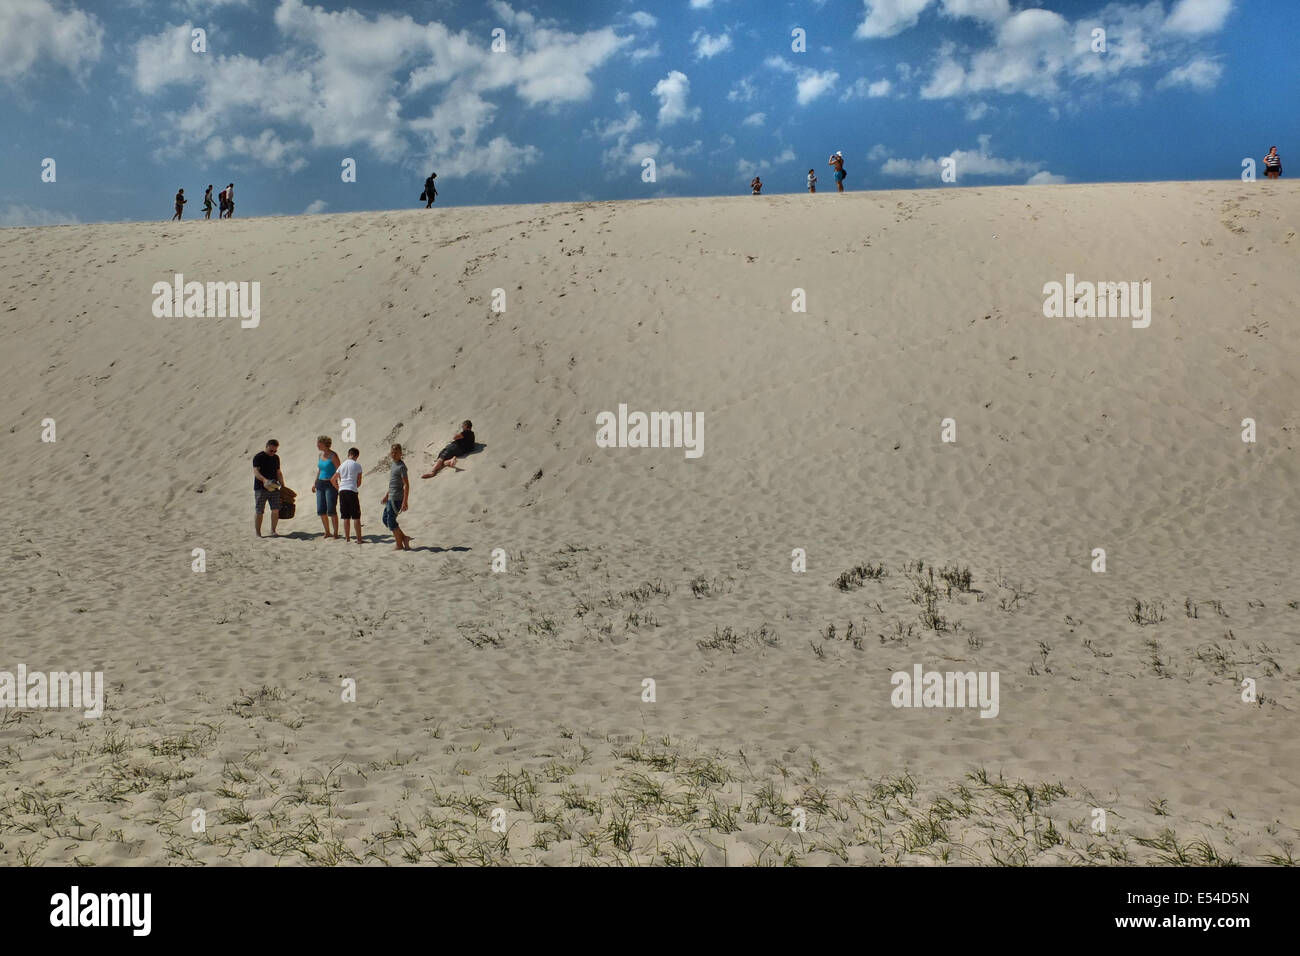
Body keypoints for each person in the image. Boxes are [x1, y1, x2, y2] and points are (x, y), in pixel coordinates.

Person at [381, 443, 411, 551]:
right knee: (385, 520)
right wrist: (386, 495)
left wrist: (405, 502)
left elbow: (406, 485)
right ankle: (404, 538)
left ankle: (399, 544)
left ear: (400, 454)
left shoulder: (402, 467)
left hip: (397, 499)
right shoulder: (393, 464)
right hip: (390, 497)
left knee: (391, 521)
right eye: (392, 452)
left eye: (396, 452)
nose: (393, 454)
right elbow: (393, 483)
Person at [253, 439, 284, 537]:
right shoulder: (258, 457)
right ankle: (258, 533)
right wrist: (264, 480)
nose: (273, 453)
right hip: (260, 488)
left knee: (275, 510)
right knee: (259, 511)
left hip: (274, 488)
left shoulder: (276, 458)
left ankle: (273, 530)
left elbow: (278, 472)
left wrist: (283, 485)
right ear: (266, 447)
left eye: (275, 451)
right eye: (271, 450)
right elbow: (256, 472)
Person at [332, 447, 364, 544]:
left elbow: (333, 479)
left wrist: (339, 488)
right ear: (357, 456)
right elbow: (359, 482)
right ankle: (359, 539)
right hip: (351, 490)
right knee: (356, 516)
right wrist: (354, 486)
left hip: (342, 491)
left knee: (345, 516)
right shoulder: (357, 465)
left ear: (348, 454)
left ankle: (347, 538)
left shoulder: (342, 465)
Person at [313, 435, 341, 539]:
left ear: (324, 444)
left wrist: (341, 484)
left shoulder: (333, 455)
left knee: (331, 509)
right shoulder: (320, 455)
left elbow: (339, 470)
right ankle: (327, 532)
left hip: (331, 484)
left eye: (318, 443)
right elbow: (319, 470)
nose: (317, 445)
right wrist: (314, 483)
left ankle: (336, 533)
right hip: (320, 484)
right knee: (321, 509)